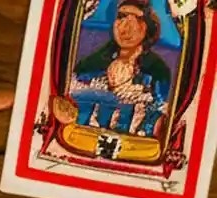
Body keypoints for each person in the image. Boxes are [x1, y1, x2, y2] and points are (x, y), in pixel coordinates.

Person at [70, 0, 171, 136]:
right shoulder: (93, 63)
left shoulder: (157, 71)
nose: (126, 27)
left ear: (148, 26)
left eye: (138, 19)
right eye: (121, 17)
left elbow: (159, 112)